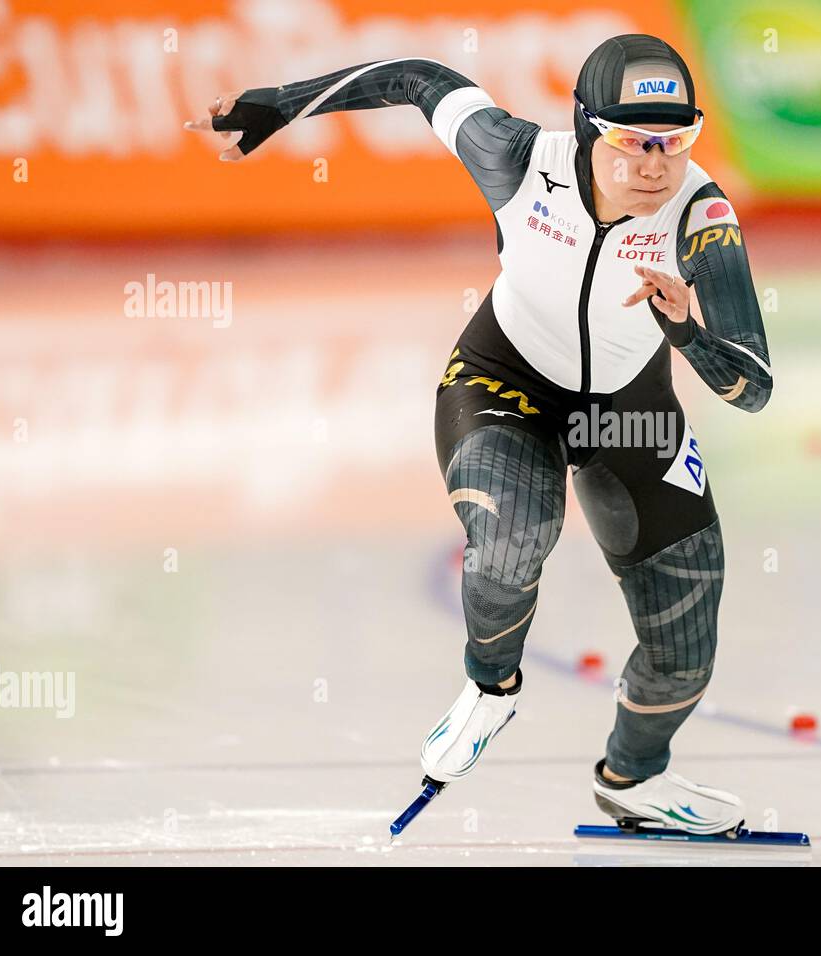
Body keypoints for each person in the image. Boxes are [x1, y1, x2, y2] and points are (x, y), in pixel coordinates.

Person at [186, 34, 772, 835]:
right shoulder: (517, 157)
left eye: (675, 140)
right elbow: (418, 79)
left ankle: (633, 780)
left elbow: (753, 386)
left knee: (687, 642)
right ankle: (490, 686)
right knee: (513, 532)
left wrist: (687, 332)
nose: (655, 163)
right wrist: (283, 106)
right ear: (588, 130)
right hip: (507, 385)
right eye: (635, 141)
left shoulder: (702, 213)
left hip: (631, 410)